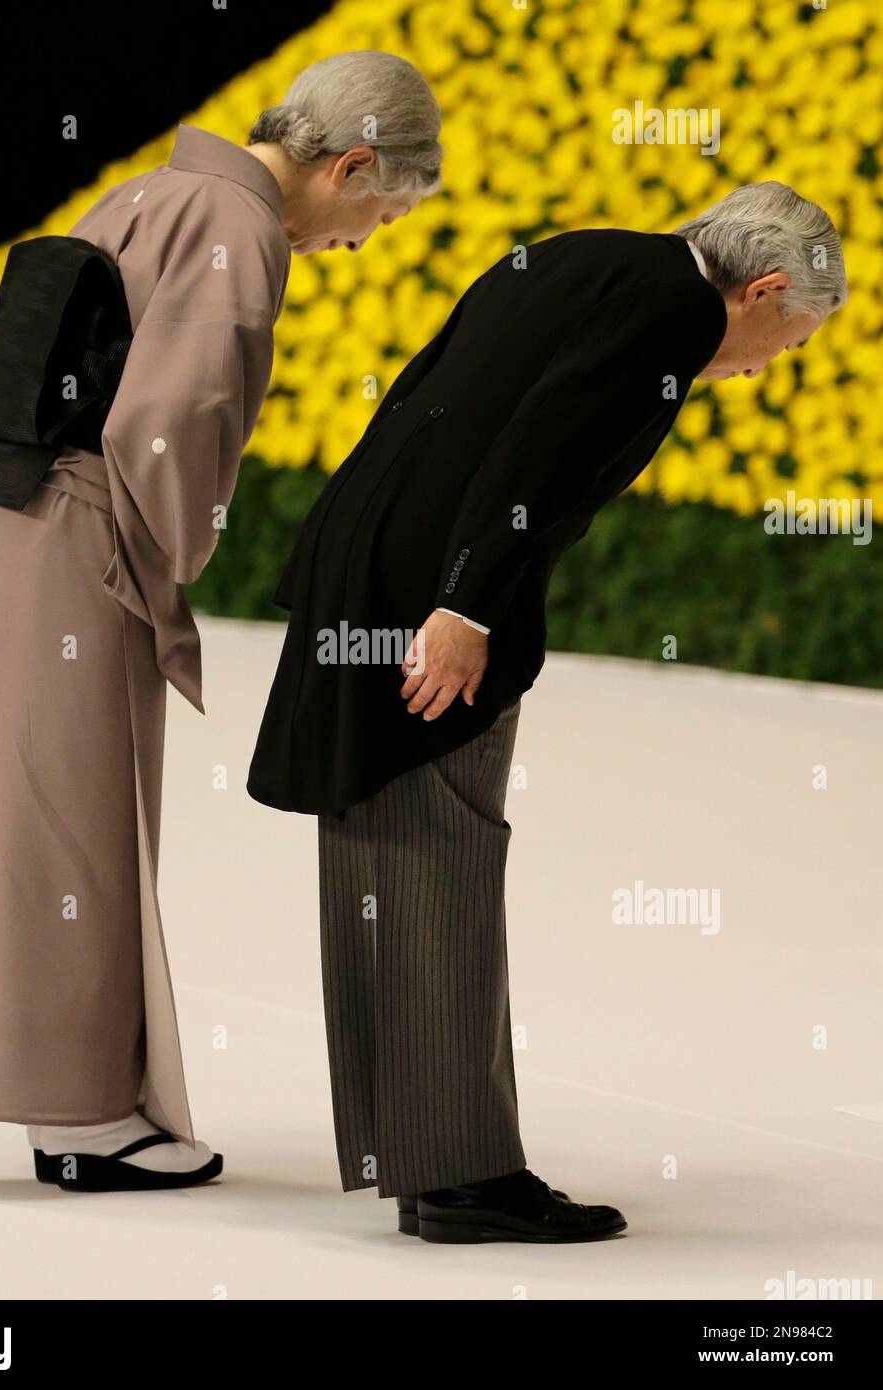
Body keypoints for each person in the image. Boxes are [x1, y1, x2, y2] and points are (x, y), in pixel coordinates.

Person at [0, 51, 442, 1193]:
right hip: (84, 532)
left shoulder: (143, 190)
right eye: (375, 213)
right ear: (349, 165)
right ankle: (83, 1118)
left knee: (18, 807)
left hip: (10, 515)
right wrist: (171, 558)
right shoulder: (235, 229)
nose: (358, 242)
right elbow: (175, 423)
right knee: (80, 817)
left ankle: (59, 1094)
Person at [247, 182, 847, 1241]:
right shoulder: (674, 312)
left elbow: (436, 387)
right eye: (790, 339)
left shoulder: (587, 255)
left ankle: (425, 1154)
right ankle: (463, 1176)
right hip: (433, 586)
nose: (771, 364)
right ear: (761, 290)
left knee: (384, 852)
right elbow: (540, 456)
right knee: (440, 850)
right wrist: (467, 603)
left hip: (371, 548)